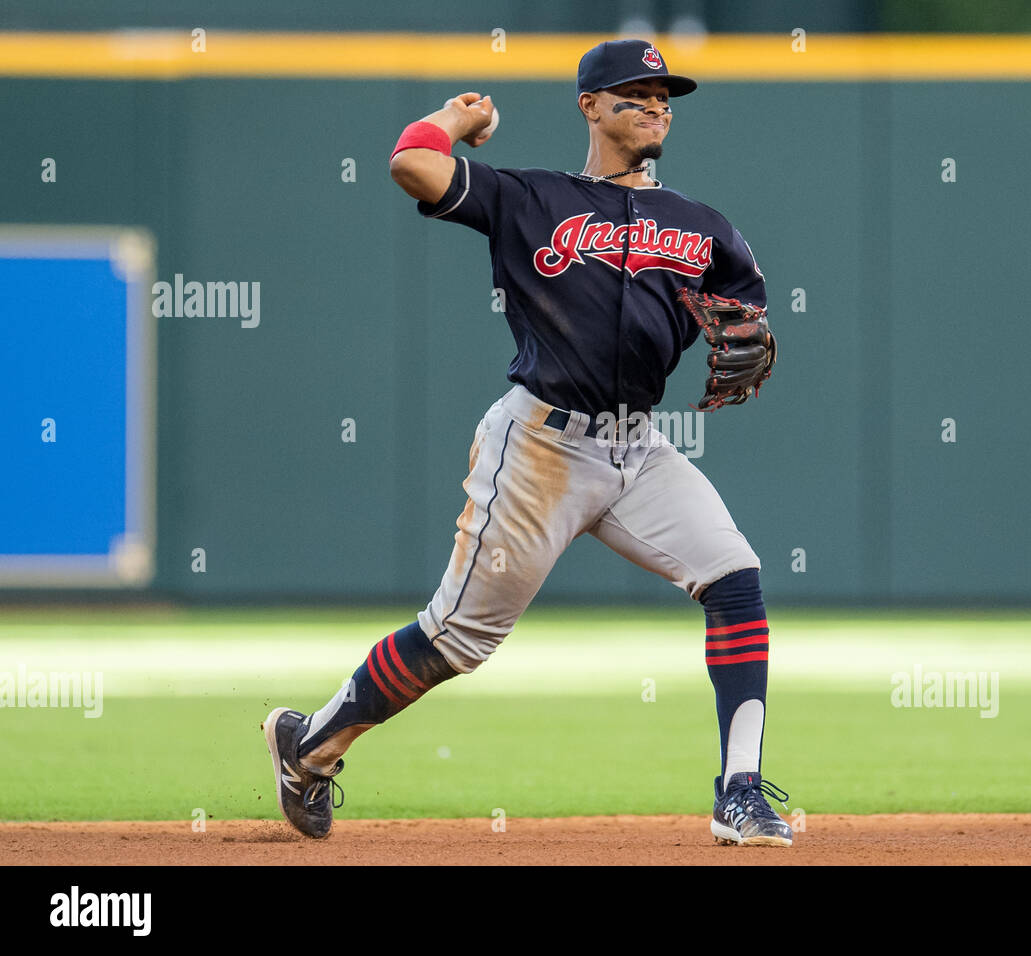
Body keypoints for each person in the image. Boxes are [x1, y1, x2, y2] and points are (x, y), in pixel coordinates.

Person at [262, 38, 792, 847]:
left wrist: (752, 332)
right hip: (541, 445)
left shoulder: (703, 225)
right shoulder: (529, 198)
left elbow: (748, 315)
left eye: (664, 95)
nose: (655, 105)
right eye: (635, 92)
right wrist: (454, 117)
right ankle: (308, 745)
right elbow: (412, 166)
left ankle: (742, 793)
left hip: (640, 448)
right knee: (458, 639)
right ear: (590, 105)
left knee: (736, 576)